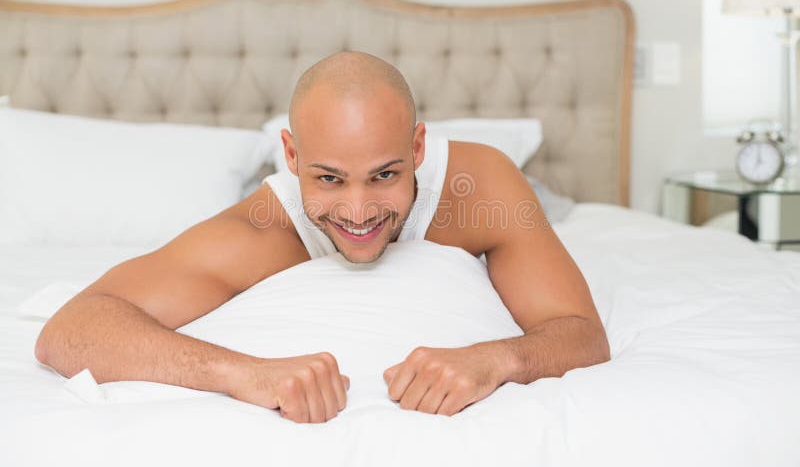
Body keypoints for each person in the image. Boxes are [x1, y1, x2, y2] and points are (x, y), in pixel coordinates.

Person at [35, 51, 610, 424]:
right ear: (291, 156)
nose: (358, 213)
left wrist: (498, 359)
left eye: (384, 175)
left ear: (417, 148)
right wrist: (243, 373)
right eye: (329, 179)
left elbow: (581, 333)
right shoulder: (257, 232)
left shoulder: (483, 186)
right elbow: (70, 330)